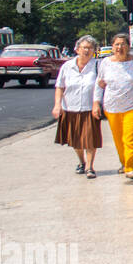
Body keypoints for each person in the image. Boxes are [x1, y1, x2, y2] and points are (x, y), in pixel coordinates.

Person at [93, 33, 133, 180]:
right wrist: (96, 103)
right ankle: (123, 162)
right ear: (112, 46)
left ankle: (129, 167)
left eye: (123, 44)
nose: (120, 47)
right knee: (118, 139)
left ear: (128, 46)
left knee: (131, 138)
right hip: (112, 106)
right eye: (117, 44)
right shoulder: (105, 63)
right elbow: (99, 84)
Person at [52, 34, 103, 179]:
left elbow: (101, 85)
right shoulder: (67, 66)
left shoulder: (97, 66)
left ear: (94, 50)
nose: (86, 51)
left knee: (90, 139)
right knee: (76, 141)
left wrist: (97, 103)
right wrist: (57, 105)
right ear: (77, 49)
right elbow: (60, 87)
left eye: (90, 48)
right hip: (70, 108)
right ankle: (81, 161)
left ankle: (89, 167)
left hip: (90, 108)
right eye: (84, 48)